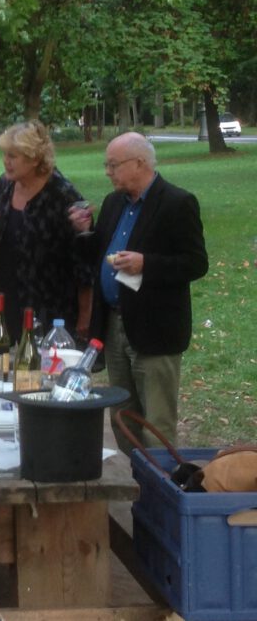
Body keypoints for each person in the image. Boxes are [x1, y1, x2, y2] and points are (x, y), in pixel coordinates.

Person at [69, 132, 208, 454]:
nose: (108, 171)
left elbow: (196, 263)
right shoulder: (114, 202)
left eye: (113, 165)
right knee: (122, 413)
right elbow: (100, 253)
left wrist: (147, 264)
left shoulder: (177, 203)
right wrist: (84, 232)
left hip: (155, 328)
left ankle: (159, 492)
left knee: (156, 421)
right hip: (115, 324)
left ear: (139, 164)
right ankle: (133, 482)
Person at [0, 120, 92, 342]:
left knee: (36, 370)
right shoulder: (5, 185)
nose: (5, 162)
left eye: (13, 156)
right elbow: (2, 238)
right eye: (5, 154)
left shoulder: (63, 196)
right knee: (3, 364)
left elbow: (83, 263)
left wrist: (85, 316)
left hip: (48, 309)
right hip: (5, 298)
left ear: (35, 158)